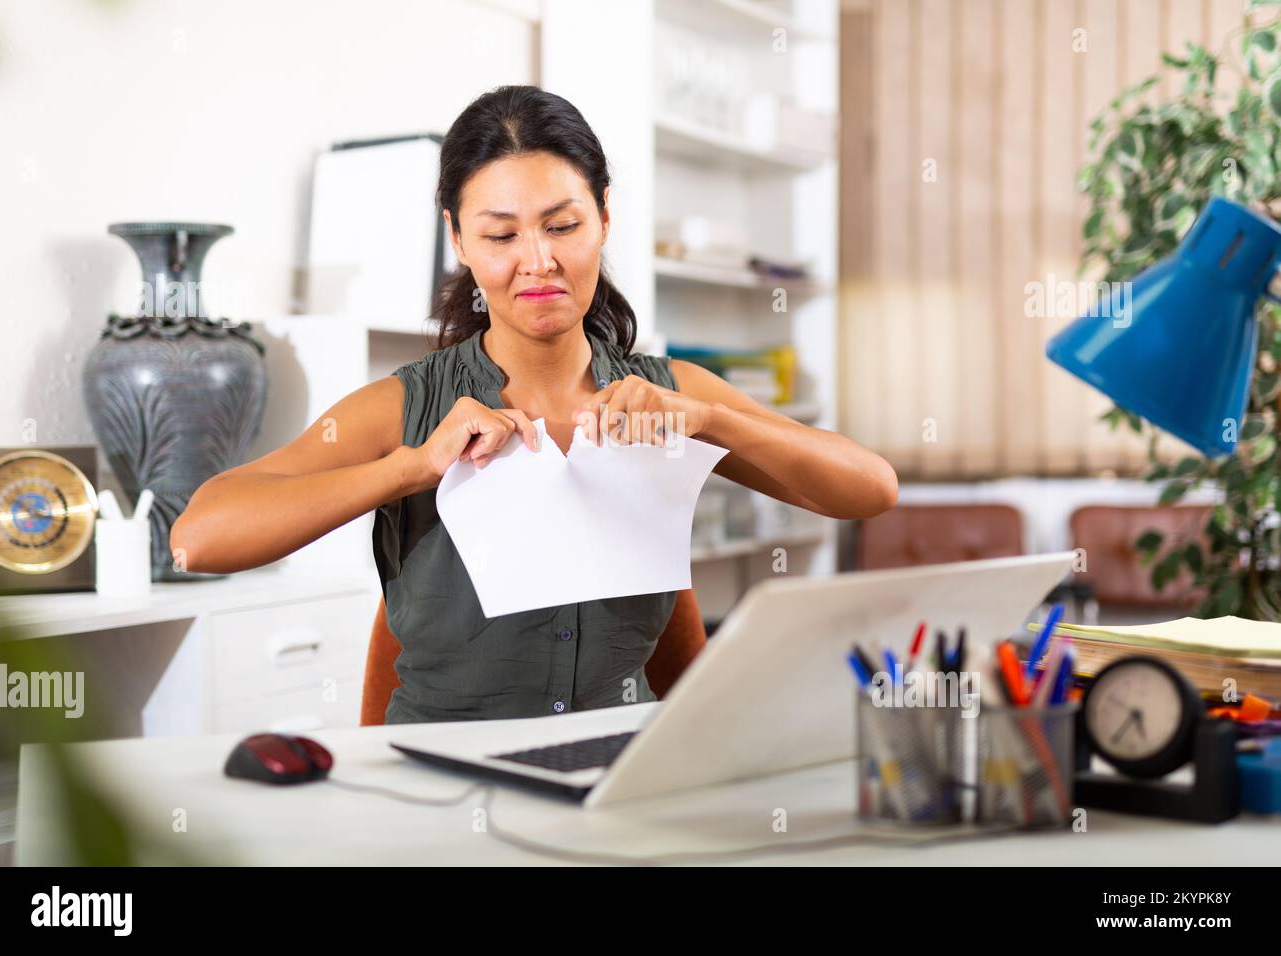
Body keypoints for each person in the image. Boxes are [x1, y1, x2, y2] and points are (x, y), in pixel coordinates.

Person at [170, 85, 897, 724]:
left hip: (612, 775)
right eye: (500, 234)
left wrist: (713, 421)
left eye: (562, 225)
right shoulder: (406, 407)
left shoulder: (670, 394)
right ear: (458, 239)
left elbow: (869, 488)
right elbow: (199, 538)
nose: (538, 262)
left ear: (604, 218)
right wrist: (409, 469)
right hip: (441, 791)